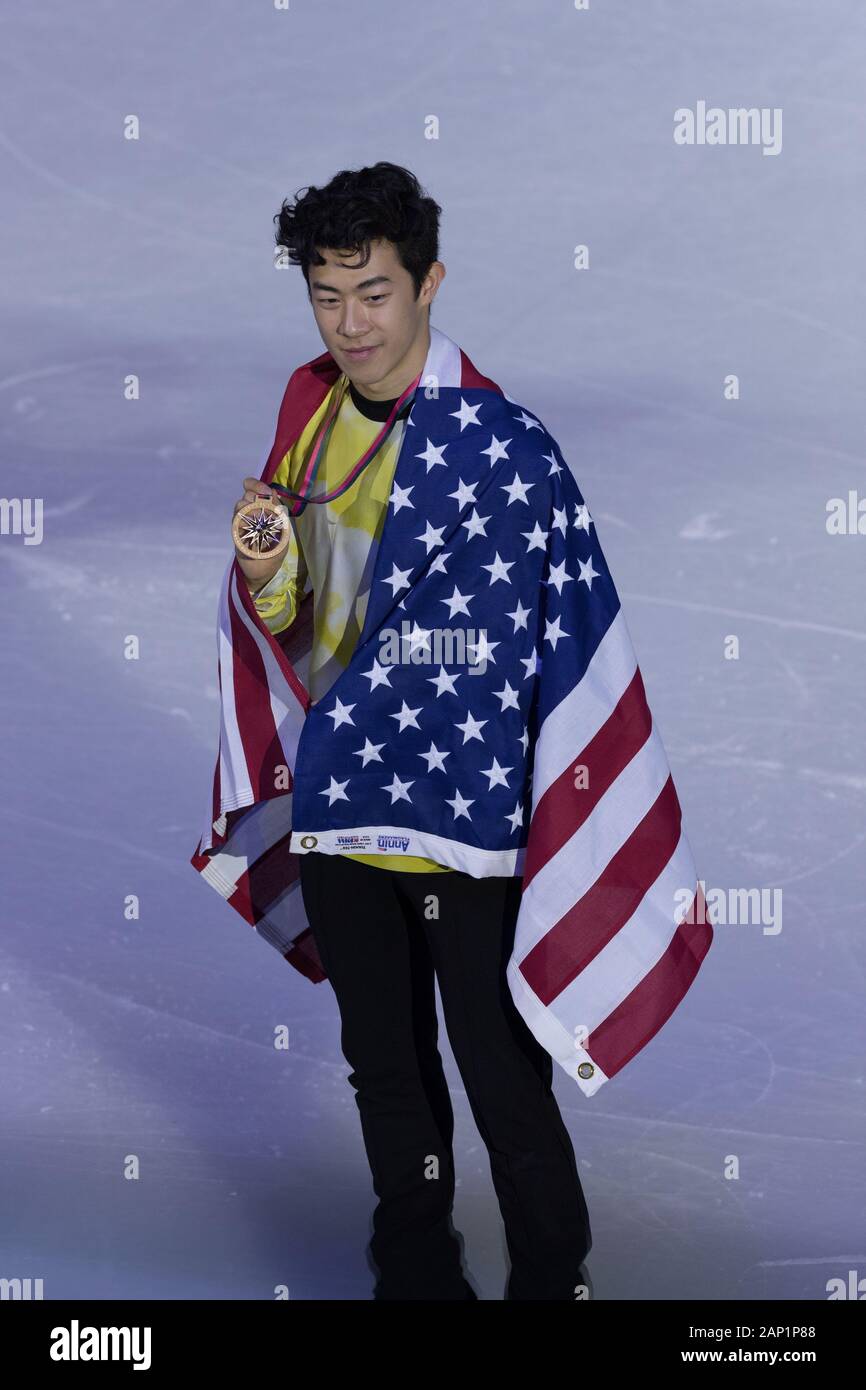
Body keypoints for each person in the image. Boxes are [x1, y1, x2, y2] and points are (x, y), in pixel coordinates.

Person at [230, 162, 592, 1301]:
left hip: (456, 817)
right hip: (344, 804)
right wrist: (265, 574)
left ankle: (549, 1275)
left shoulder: (495, 443)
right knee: (384, 1069)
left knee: (498, 1071)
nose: (351, 324)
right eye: (328, 295)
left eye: (375, 292)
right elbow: (292, 618)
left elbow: (542, 636)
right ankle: (416, 1268)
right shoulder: (307, 409)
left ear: (429, 282)